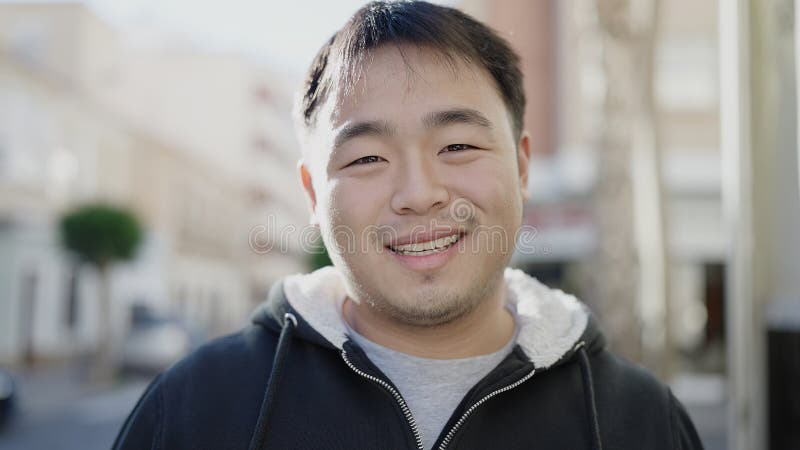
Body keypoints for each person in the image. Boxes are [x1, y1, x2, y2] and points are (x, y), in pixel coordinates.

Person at [113, 1, 704, 449]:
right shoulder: (194, 411)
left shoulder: (639, 420)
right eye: (368, 158)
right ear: (313, 194)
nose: (419, 194)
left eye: (458, 145)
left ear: (522, 167)